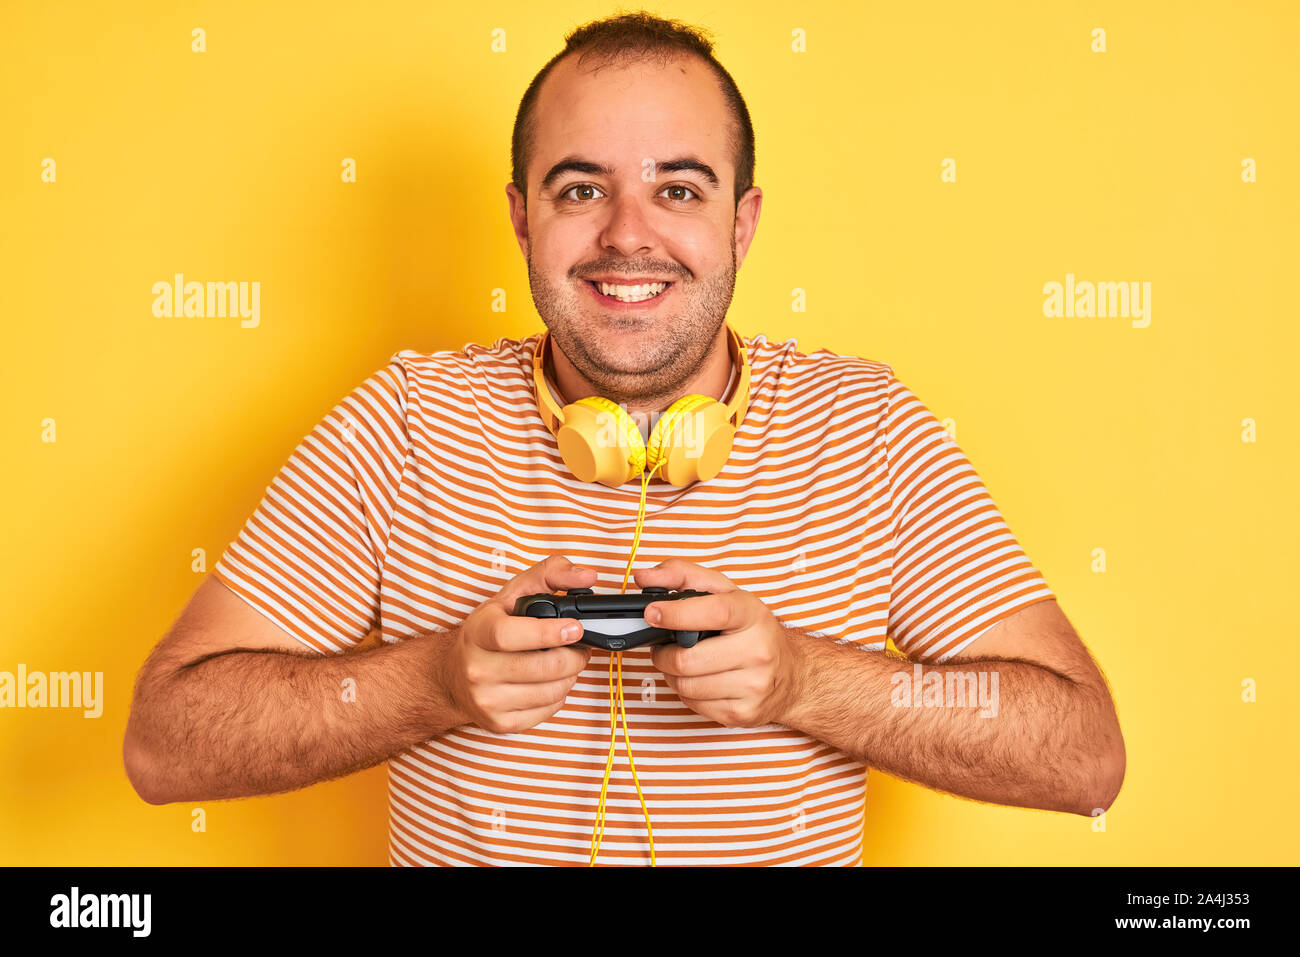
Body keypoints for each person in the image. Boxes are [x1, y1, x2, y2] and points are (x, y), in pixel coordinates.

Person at [123, 11, 1124, 866]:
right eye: (579, 188)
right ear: (521, 217)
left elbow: (1083, 757)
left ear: (742, 221)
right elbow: (166, 747)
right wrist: (431, 683)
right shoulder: (404, 423)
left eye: (679, 188)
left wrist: (804, 680)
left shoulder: (867, 429)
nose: (627, 235)